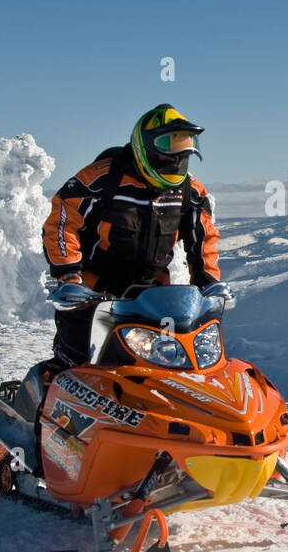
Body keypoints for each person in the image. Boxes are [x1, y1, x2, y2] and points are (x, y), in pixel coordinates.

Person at [40, 104, 222, 368]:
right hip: (94, 292)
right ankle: (44, 400)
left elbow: (204, 236)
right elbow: (62, 223)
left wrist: (208, 283)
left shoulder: (189, 191)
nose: (175, 161)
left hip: (153, 295)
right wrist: (69, 276)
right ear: (144, 147)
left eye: (183, 154)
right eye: (168, 152)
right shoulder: (100, 179)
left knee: (166, 363)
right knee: (77, 362)